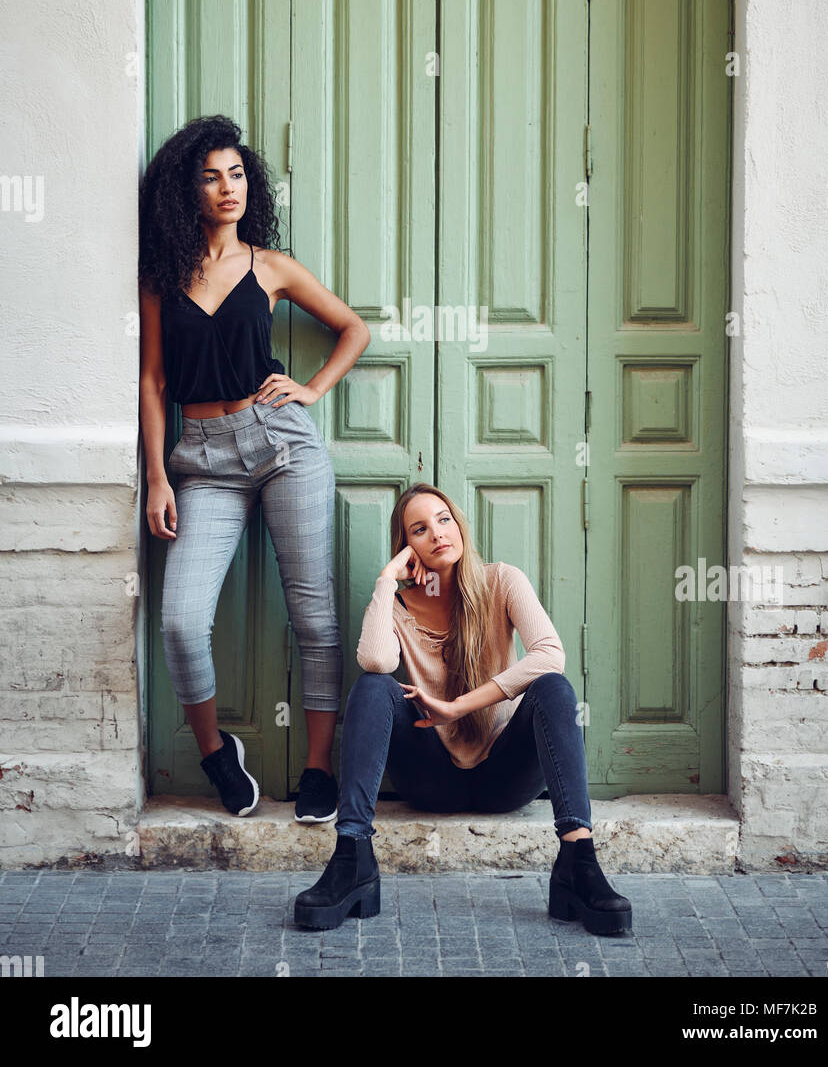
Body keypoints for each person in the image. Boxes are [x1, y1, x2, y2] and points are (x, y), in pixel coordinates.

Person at [139, 114, 369, 822]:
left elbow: (353, 328)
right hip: (201, 459)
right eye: (210, 176)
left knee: (313, 615)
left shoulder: (270, 267)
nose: (226, 187)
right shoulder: (162, 275)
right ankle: (216, 754)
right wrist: (156, 477)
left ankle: (318, 768)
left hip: (281, 444)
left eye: (236, 174)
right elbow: (152, 380)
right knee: (179, 621)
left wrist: (311, 387)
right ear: (190, 190)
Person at [294, 483, 632, 934]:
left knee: (553, 686)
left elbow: (550, 653)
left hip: (504, 777)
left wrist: (458, 706)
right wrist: (384, 582)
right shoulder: (394, 606)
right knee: (373, 688)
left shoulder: (502, 581)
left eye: (443, 519)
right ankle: (352, 857)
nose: (436, 533)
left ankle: (578, 862)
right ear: (406, 547)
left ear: (458, 525)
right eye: (419, 529)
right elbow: (376, 661)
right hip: (431, 778)